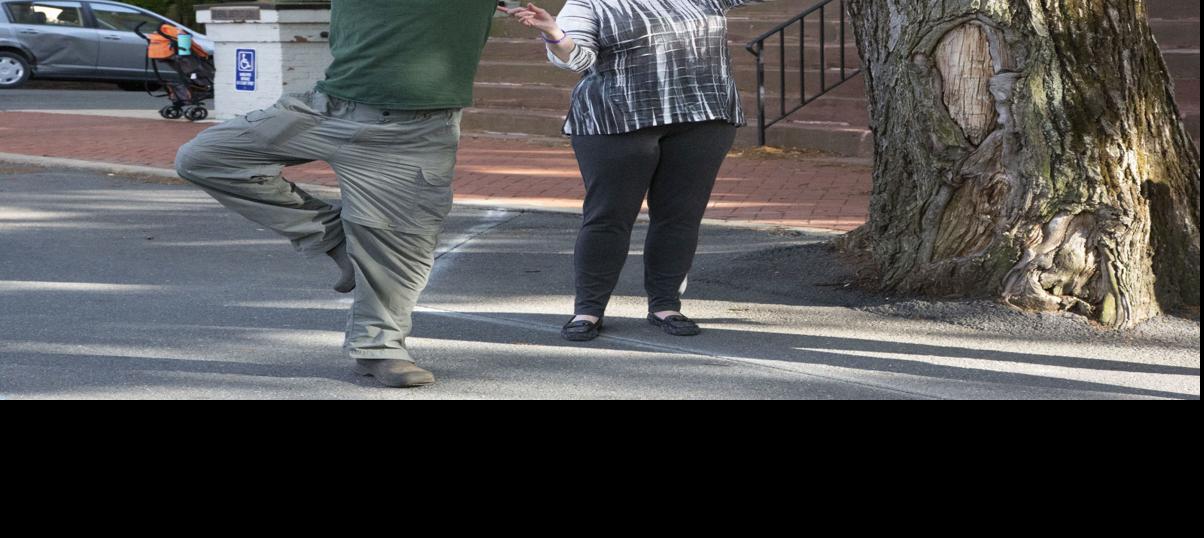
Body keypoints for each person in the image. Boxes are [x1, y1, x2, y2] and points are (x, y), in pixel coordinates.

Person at [175, 1, 511, 388]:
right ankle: (333, 236)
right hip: (327, 110)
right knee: (205, 157)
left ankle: (380, 349)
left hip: (416, 132)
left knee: (402, 245)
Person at [511, 1, 769, 342]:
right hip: (618, 120)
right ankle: (588, 310)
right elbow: (578, 60)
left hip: (704, 117)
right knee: (608, 216)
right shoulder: (589, 4)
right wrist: (554, 33)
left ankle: (666, 305)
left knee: (681, 216)